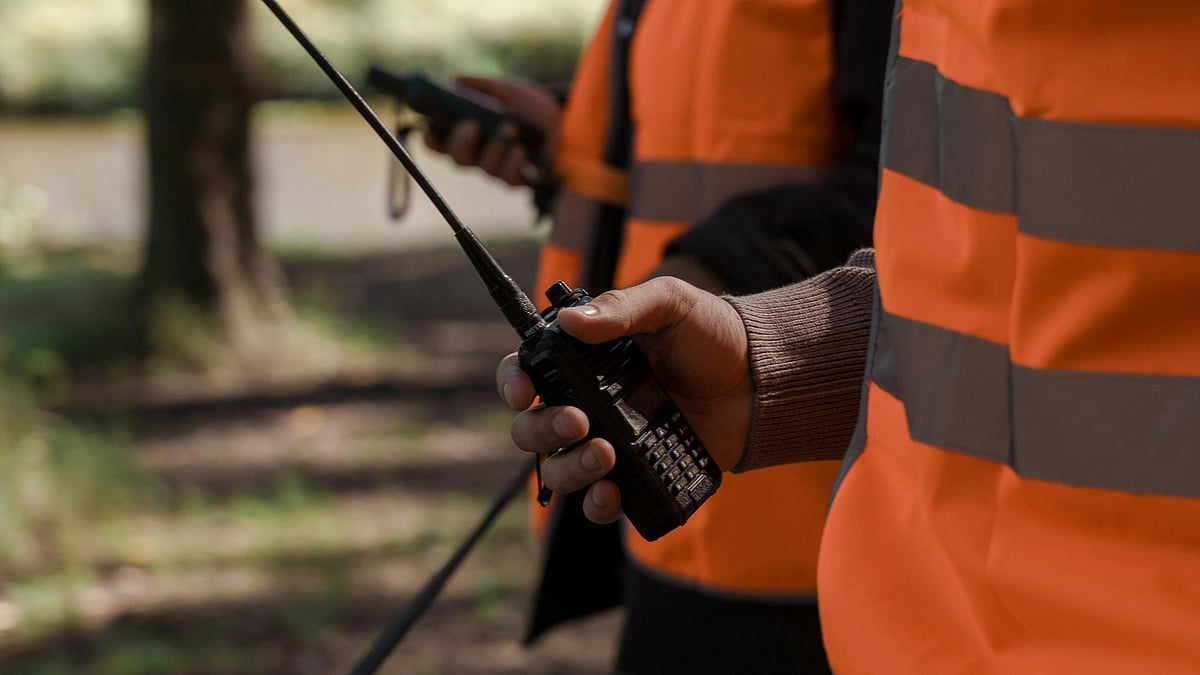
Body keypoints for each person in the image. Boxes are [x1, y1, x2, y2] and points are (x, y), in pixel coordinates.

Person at [497, 1, 1200, 672]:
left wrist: (728, 267)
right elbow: (1005, 258)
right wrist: (776, 360)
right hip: (919, 624)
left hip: (1098, 633)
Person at [426, 0, 892, 671]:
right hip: (664, 478)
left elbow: (914, 176)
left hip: (812, 526)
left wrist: (705, 267)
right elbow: (688, 143)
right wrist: (568, 137)